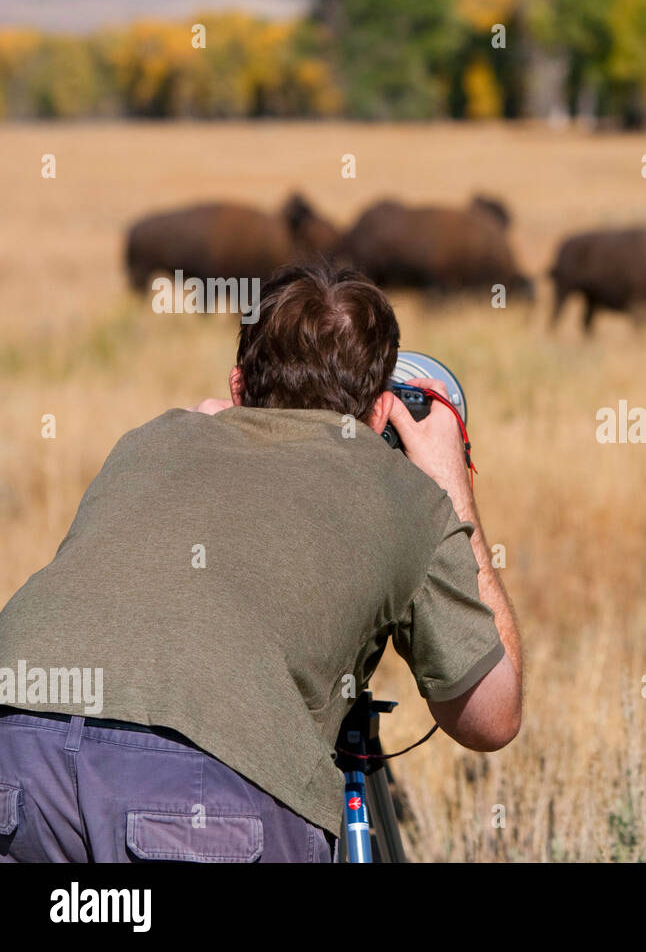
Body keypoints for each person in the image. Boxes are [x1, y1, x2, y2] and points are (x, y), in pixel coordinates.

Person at [0, 265, 522, 862]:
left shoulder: (147, 442)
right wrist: (452, 490)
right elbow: (492, 718)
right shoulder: (403, 493)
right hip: (201, 787)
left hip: (14, 752)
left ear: (237, 385)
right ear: (381, 413)